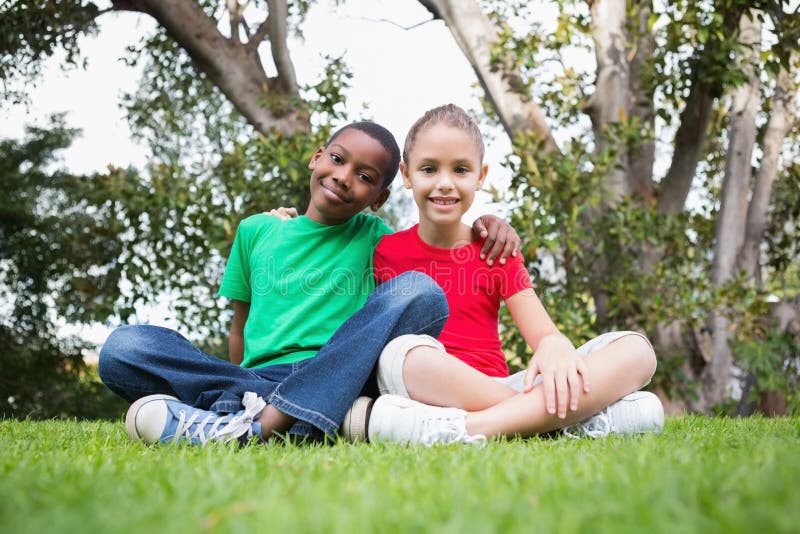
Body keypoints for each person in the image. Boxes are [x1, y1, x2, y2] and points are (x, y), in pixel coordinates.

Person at [98, 120, 519, 446]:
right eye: (337, 159)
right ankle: (273, 410)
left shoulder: (375, 238)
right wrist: (240, 377)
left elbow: (436, 235)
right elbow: (239, 328)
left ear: (379, 199)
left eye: (366, 176)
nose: (343, 176)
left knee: (420, 291)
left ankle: (261, 424)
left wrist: (488, 224)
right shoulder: (256, 230)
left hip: (338, 370)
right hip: (258, 380)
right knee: (125, 348)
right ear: (317, 157)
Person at [353, 104, 664, 446]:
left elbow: (545, 336)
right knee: (402, 355)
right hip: (428, 386)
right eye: (429, 169)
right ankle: (557, 420)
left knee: (637, 350)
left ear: (481, 176)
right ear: (407, 174)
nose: (445, 184)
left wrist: (556, 347)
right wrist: (283, 219)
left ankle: (470, 428)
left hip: (499, 388)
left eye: (460, 170)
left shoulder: (496, 251)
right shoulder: (382, 249)